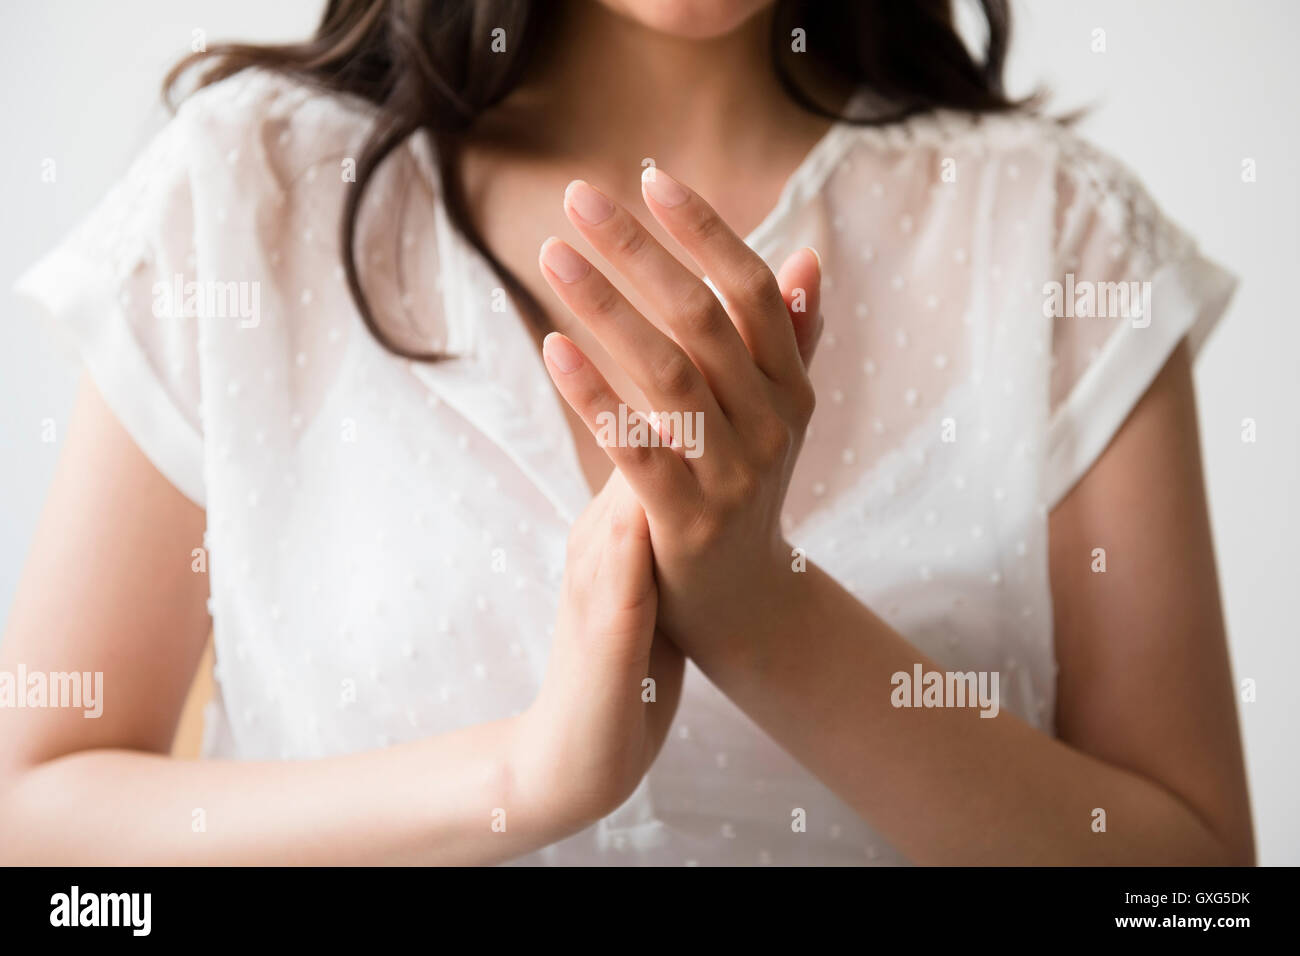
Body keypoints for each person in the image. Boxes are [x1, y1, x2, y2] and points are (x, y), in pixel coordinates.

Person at [0, 0, 1253, 865]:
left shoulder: (1055, 235)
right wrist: (529, 777)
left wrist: (771, 623)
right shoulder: (246, 194)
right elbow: (33, 820)